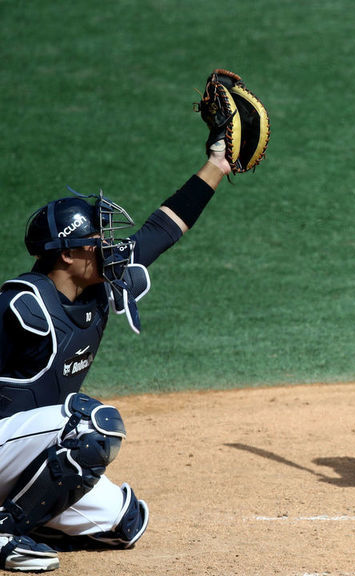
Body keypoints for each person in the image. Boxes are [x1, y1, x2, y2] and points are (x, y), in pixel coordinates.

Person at [0, 135, 233, 570]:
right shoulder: (21, 306)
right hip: (3, 443)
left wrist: (216, 166)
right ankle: (4, 532)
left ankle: (24, 521)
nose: (108, 245)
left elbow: (162, 230)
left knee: (126, 523)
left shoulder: (101, 280)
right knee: (90, 424)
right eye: (95, 239)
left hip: (29, 452)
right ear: (67, 254)